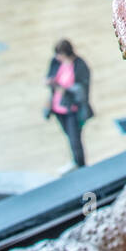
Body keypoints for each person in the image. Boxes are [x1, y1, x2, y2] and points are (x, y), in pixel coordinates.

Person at [44, 40, 92, 168]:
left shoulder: (80, 65)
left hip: (72, 109)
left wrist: (63, 90)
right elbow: (50, 76)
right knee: (69, 136)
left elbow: (82, 90)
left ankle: (80, 164)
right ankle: (76, 161)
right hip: (58, 107)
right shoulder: (55, 62)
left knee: (75, 139)